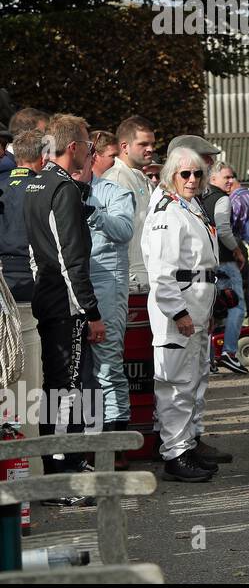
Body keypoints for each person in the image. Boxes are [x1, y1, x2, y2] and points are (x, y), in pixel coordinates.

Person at [23, 115, 105, 501]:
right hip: (65, 305)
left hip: (48, 297)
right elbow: (70, 259)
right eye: (88, 145)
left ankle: (66, 461)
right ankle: (59, 476)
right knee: (66, 390)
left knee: (59, 387)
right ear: (73, 147)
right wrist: (91, 313)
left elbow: (36, 253)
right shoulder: (63, 188)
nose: (90, 151)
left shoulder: (35, 182)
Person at [140, 147, 221, 483]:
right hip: (180, 306)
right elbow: (161, 271)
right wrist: (179, 312)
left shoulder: (190, 207)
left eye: (197, 174)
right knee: (175, 381)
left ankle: (185, 445)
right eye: (184, 173)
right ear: (172, 174)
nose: (192, 179)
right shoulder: (166, 211)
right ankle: (174, 453)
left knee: (192, 378)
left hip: (198, 302)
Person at [86, 130, 134, 465]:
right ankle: (88, 441)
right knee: (78, 369)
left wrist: (93, 212)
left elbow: (124, 231)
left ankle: (115, 446)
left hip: (106, 285)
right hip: (72, 286)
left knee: (107, 364)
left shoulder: (113, 192)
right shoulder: (59, 189)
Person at [0, 129, 45, 421]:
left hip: (5, 285)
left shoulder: (2, 185)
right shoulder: (44, 188)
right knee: (29, 374)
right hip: (32, 284)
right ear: (43, 157)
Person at [101, 115, 155, 290]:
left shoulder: (143, 179)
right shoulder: (116, 179)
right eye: (143, 144)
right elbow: (110, 235)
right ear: (124, 146)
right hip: (129, 281)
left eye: (152, 144)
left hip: (145, 276)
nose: (150, 149)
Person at [208, 163, 249, 374]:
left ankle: (207, 359)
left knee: (209, 308)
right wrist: (237, 250)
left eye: (232, 177)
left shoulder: (200, 197)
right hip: (224, 261)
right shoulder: (222, 199)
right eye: (226, 177)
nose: (230, 181)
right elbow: (224, 229)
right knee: (237, 305)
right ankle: (229, 352)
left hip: (206, 263)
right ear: (213, 178)